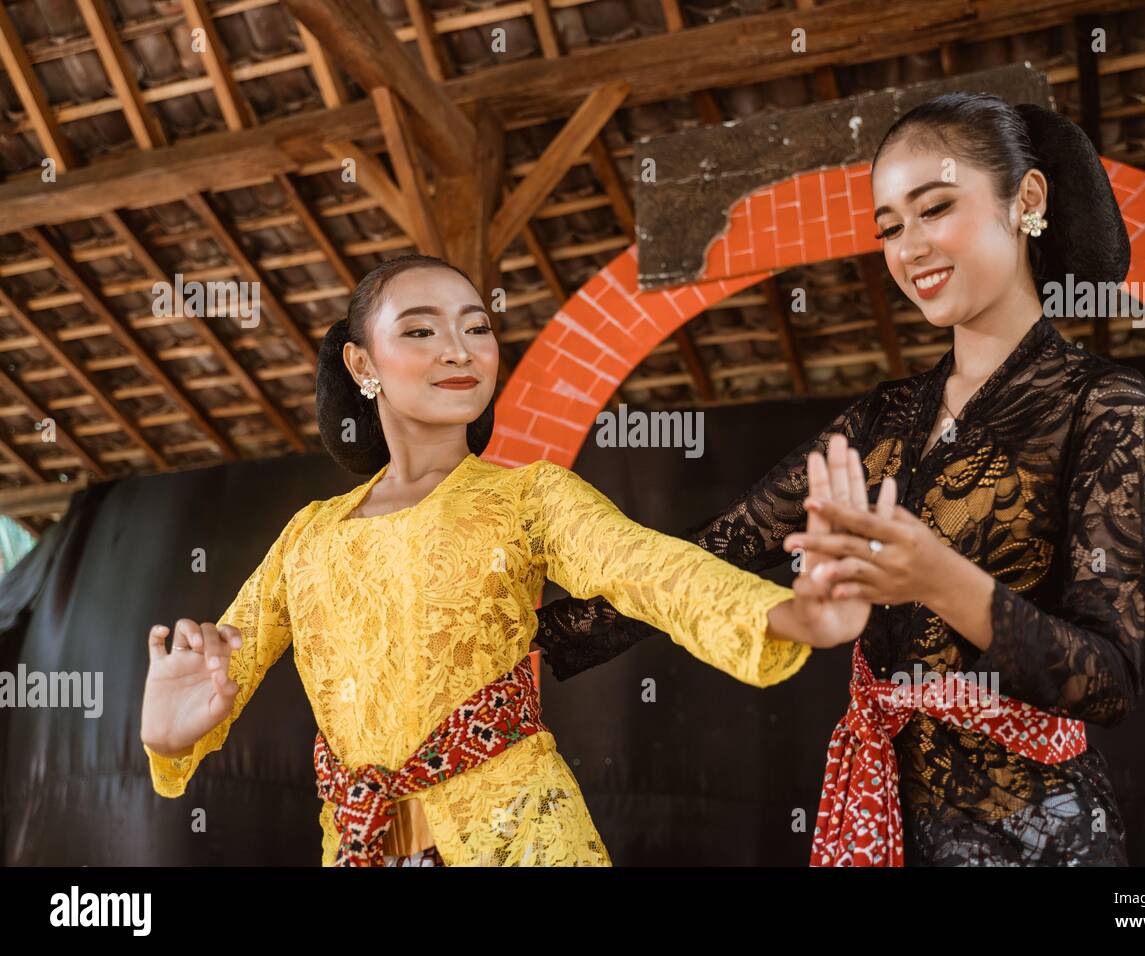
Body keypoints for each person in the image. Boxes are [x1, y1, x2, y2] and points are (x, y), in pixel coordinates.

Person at [534, 93, 1145, 866]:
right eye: (891, 228)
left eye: (934, 209)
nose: (911, 249)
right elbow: (715, 552)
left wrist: (938, 577)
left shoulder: (1102, 405)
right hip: (882, 818)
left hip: (1041, 834)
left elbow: (1108, 684)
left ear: (1026, 199)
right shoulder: (879, 421)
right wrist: (525, 643)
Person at [138, 254, 870, 867]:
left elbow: (644, 567)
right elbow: (218, 669)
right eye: (421, 329)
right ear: (362, 363)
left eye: (476, 328)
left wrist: (790, 613)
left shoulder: (529, 497)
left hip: (523, 840)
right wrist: (168, 734)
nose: (459, 350)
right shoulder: (308, 537)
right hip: (358, 849)